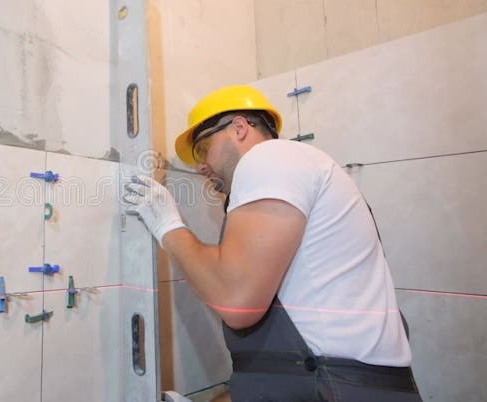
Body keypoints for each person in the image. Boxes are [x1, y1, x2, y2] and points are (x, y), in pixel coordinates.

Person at [124, 85, 422, 401]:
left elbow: (238, 303)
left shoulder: (270, 157)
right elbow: (276, 369)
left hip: (337, 386)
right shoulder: (298, 171)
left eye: (202, 149)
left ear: (239, 128)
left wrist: (167, 225)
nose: (200, 166)